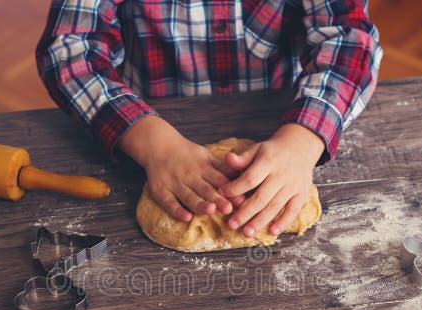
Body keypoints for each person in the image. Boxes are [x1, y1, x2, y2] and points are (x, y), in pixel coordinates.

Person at [37, 0, 381, 237]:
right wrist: (151, 141)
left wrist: (304, 138)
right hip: (150, 126)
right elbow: (70, 48)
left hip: (279, 121)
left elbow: (349, 38)